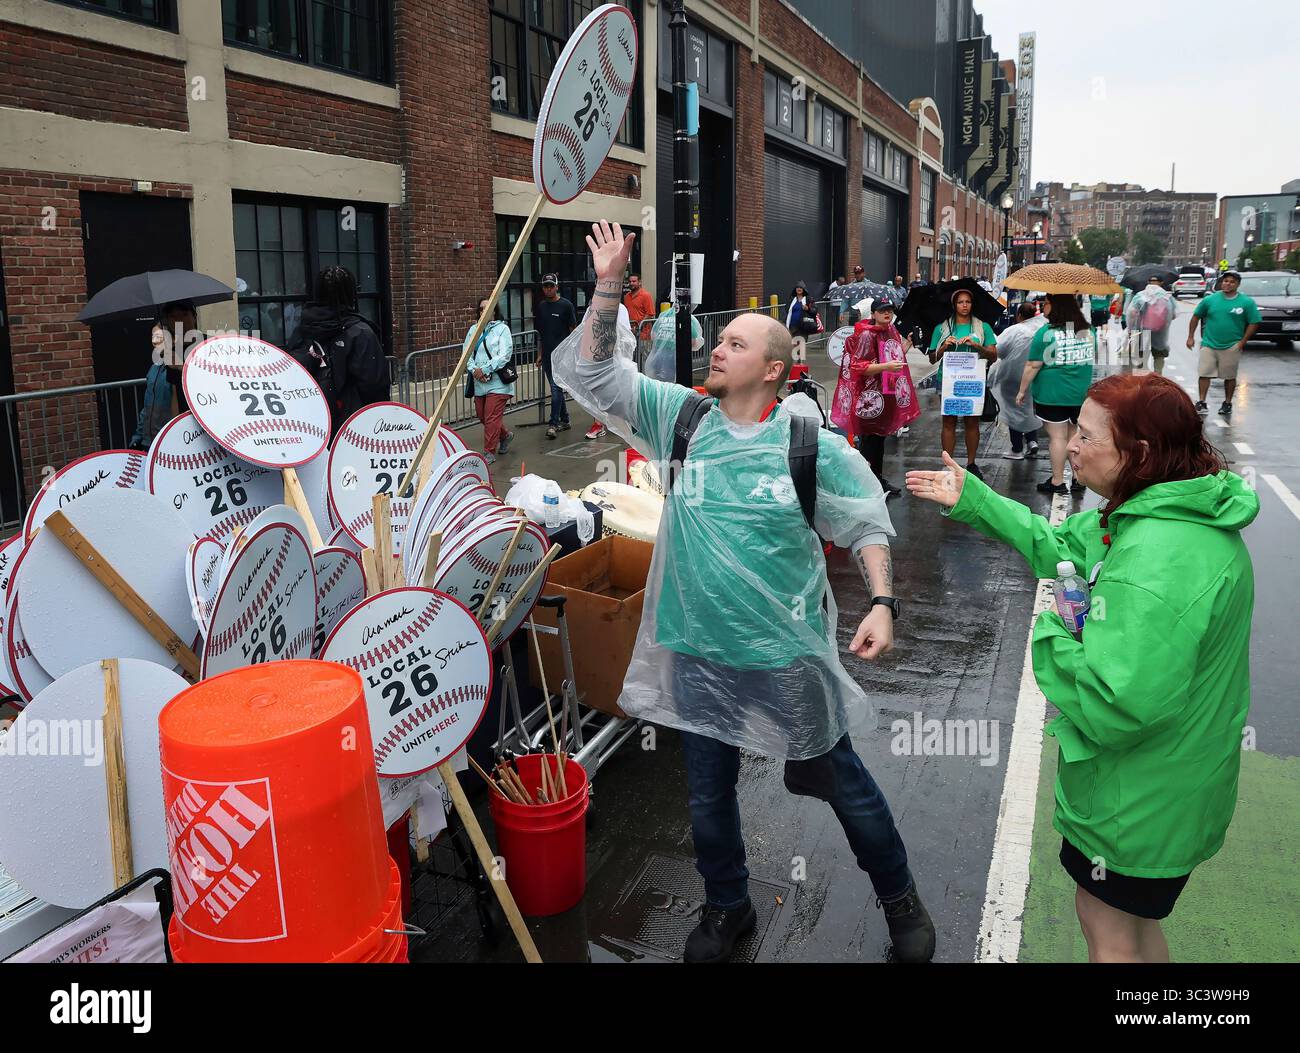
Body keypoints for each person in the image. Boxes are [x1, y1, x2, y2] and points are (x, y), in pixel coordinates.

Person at [554, 220, 934, 964]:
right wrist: (607, 287)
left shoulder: (808, 446)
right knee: (707, 797)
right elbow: (598, 375)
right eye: (720, 340)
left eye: (736, 343)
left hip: (784, 658)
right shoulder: (683, 421)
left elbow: (864, 523)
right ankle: (727, 906)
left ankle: (901, 898)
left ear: (772, 369)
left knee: (840, 782)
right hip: (697, 652)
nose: (718, 348)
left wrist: (883, 603)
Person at [906, 373, 1258, 962]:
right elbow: (1063, 546)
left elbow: (1114, 704)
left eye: (1087, 436)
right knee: (1138, 929)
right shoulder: (1167, 513)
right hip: (1171, 792)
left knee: (1109, 932)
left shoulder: (1154, 559)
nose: (1069, 445)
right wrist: (976, 498)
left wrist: (1052, 631)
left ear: (1138, 453)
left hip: (1134, 804)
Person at [830, 298, 920, 496]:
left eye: (889, 310)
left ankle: (877, 479)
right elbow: (858, 367)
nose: (887, 313)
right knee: (869, 442)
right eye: (882, 310)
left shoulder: (891, 331)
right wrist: (886, 367)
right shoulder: (867, 335)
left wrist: (906, 345)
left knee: (879, 441)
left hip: (886, 394)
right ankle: (864, 484)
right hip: (869, 399)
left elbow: (892, 357)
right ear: (873, 314)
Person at [285, 266, 387, 438]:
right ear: (351, 293)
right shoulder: (360, 333)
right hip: (353, 431)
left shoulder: (303, 329)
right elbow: (375, 387)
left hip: (310, 427)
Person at [1016, 295, 1098, 497]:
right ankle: (1079, 479)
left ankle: (1057, 481)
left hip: (1052, 394)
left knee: (1057, 437)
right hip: (1079, 394)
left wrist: (1021, 391)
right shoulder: (1089, 331)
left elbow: (1033, 364)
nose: (1043, 307)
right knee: (1073, 435)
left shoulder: (1046, 333)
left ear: (1056, 307)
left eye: (1047, 303)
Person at [928, 289, 998, 480]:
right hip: (948, 380)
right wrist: (944, 347)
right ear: (954, 305)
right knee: (948, 421)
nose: (964, 305)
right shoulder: (941, 328)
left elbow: (993, 355)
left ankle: (971, 463)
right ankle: (949, 464)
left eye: (968, 302)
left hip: (972, 380)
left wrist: (977, 346)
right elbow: (932, 359)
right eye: (960, 302)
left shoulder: (982, 327)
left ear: (972, 304)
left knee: (972, 421)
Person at [1187, 270, 1260, 419]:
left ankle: (1227, 403)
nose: (1228, 284)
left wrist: (1243, 341)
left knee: (1229, 376)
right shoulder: (1210, 300)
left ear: (1238, 285)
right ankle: (1201, 401)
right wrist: (1190, 337)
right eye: (1226, 281)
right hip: (1209, 343)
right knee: (1204, 373)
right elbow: (1196, 317)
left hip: (1232, 345)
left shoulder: (1246, 302)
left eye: (1232, 282)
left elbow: (1254, 322)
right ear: (1221, 283)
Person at [130, 299, 196, 450]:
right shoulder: (156, 366)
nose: (179, 320)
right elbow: (148, 406)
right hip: (150, 443)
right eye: (173, 317)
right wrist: (138, 436)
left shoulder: (204, 352)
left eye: (184, 314)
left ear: (194, 317)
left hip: (179, 443)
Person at [990, 302, 1046, 460]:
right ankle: (1032, 440)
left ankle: (1017, 449)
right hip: (1035, 375)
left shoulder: (1013, 330)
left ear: (1019, 315)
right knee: (1028, 407)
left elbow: (999, 351)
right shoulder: (1041, 329)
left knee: (1013, 410)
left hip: (1013, 376)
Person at [463, 297, 515, 465]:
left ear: (494, 310)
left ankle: (489, 452)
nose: (484, 311)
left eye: (488, 308)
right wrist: (474, 371)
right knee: (482, 415)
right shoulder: (473, 330)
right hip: (480, 382)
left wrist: (485, 369)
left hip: (498, 382)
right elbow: (467, 354)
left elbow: (504, 354)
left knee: (491, 417)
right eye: (481, 308)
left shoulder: (502, 329)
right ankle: (505, 435)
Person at [534, 273, 577, 439]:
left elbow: (573, 330)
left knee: (555, 387)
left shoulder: (566, 306)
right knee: (556, 387)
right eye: (546, 286)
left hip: (561, 355)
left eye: (551, 286)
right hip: (547, 355)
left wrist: (572, 353)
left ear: (557, 287)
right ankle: (565, 419)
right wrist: (539, 353)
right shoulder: (542, 306)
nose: (548, 289)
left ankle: (553, 423)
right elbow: (541, 333)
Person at [1124, 277, 1177, 375]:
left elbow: (1130, 313)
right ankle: (1157, 376)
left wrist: (1130, 330)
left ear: (1148, 283)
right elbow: (1173, 315)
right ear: (1161, 283)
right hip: (1160, 333)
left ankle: (1142, 379)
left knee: (1141, 358)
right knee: (1159, 356)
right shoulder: (1167, 297)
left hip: (1142, 331)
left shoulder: (1140, 296)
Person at [785, 283, 820, 364]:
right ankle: (796, 363)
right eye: (797, 287)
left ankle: (800, 363)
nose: (799, 289)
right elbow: (787, 309)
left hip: (803, 326)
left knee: (801, 344)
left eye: (801, 287)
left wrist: (808, 309)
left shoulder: (808, 299)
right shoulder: (792, 299)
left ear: (804, 289)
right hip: (792, 326)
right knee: (794, 345)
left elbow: (815, 311)